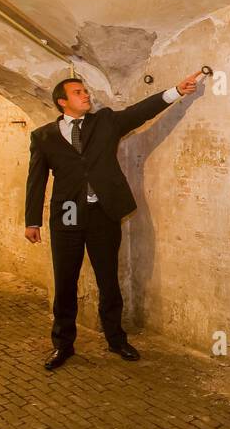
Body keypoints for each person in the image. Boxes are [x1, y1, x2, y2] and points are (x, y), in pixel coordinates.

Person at [24, 71, 202, 370]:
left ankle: (116, 339)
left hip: (102, 213)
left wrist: (176, 91)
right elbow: (36, 179)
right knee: (64, 281)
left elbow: (139, 113)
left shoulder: (105, 122)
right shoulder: (43, 136)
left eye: (85, 91)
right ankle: (63, 345)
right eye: (78, 92)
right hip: (66, 213)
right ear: (62, 102)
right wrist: (32, 222)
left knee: (108, 279)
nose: (86, 95)